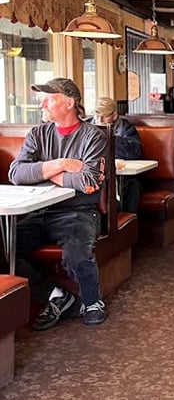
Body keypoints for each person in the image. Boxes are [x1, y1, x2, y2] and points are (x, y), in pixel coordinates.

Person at [9, 77, 108, 329]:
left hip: (79, 211)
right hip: (39, 211)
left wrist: (41, 173)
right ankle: (55, 295)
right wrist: (61, 164)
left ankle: (92, 301)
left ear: (69, 103)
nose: (41, 104)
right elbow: (16, 173)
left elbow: (89, 181)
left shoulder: (93, 136)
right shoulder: (37, 134)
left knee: (76, 253)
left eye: (49, 99)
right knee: (4, 247)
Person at [94, 96, 143, 212]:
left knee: (133, 186)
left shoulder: (126, 128)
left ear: (114, 115)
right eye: (97, 115)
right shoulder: (86, 126)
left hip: (122, 176)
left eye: (105, 116)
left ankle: (127, 219)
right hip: (94, 175)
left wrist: (109, 137)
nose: (100, 120)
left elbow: (134, 152)